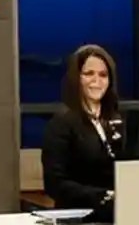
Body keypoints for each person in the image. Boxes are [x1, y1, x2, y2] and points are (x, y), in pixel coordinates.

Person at [41, 44, 126, 210]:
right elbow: (54, 184)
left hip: (118, 215)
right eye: (89, 74)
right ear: (76, 78)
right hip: (78, 218)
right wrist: (103, 196)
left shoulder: (116, 120)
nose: (97, 81)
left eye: (103, 75)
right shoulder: (61, 123)